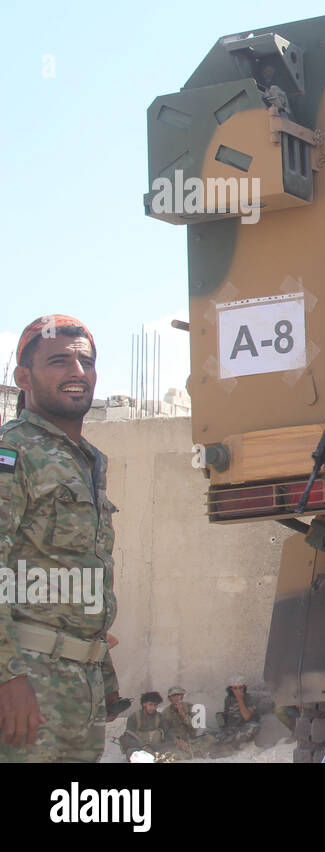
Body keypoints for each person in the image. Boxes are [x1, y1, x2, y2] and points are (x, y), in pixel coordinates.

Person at [0, 315, 122, 762]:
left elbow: (78, 575)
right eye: (59, 362)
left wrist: (101, 673)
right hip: (27, 682)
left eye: (85, 362)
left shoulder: (86, 461)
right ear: (23, 378)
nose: (77, 372)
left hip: (79, 686)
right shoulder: (13, 452)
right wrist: (7, 680)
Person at [161, 685, 212, 758]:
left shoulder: (190, 707)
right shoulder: (166, 712)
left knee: (210, 739)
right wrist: (176, 740)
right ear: (170, 698)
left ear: (182, 696)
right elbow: (166, 730)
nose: (176, 698)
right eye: (173, 695)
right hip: (177, 742)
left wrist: (183, 714)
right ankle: (193, 753)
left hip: (192, 739)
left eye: (178, 695)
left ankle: (192, 751)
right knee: (169, 750)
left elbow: (195, 726)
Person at [213, 675, 259, 754]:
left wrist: (240, 699)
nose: (238, 690)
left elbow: (246, 717)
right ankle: (225, 743)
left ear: (244, 688)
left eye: (240, 688)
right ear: (231, 689)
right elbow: (227, 716)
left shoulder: (248, 698)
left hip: (243, 727)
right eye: (235, 688)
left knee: (253, 727)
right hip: (231, 728)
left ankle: (231, 745)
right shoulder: (228, 699)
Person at [120, 691, 171, 759]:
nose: (153, 708)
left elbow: (167, 731)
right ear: (144, 704)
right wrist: (143, 747)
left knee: (172, 749)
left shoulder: (160, 717)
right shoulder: (134, 717)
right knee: (132, 753)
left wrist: (177, 740)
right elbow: (128, 737)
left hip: (155, 747)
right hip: (138, 747)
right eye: (150, 704)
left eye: (155, 705)